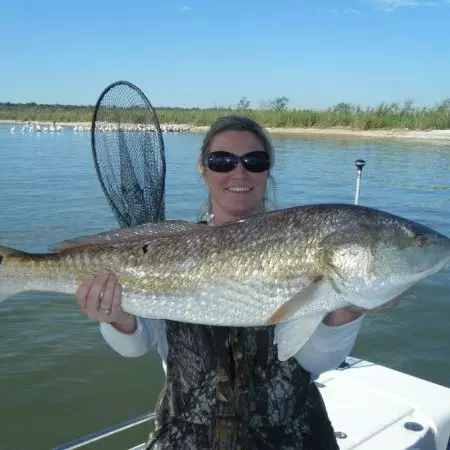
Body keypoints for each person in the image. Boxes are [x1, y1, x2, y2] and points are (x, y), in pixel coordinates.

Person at [75, 115, 399, 449]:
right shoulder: (169, 251)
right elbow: (137, 345)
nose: (239, 172)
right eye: (222, 162)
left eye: (254, 161)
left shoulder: (307, 246)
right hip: (187, 437)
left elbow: (317, 362)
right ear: (203, 170)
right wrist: (116, 318)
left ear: (267, 170)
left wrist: (348, 312)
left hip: (293, 437)